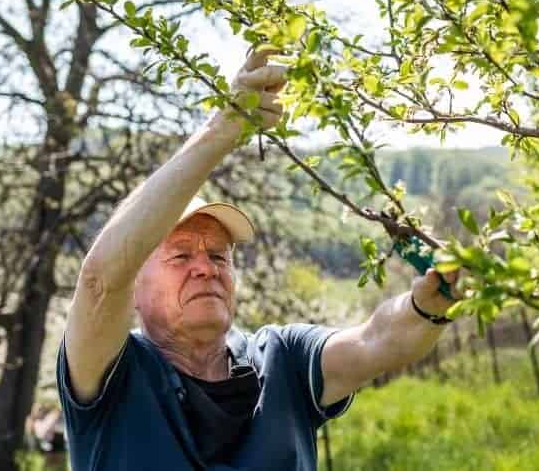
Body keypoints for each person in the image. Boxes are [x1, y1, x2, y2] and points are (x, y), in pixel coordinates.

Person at [57, 48, 461, 470]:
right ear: (134, 286)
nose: (205, 266)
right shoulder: (111, 370)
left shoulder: (284, 358)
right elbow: (101, 280)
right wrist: (223, 128)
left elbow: (375, 341)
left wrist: (426, 308)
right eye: (180, 255)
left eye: (218, 254)